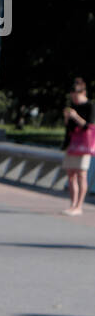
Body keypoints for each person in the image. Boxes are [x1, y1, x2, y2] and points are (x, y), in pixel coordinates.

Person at [61, 79, 93, 216]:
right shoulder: (73, 106)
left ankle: (79, 206)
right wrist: (67, 118)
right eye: (73, 96)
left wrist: (76, 116)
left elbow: (89, 126)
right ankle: (72, 205)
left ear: (83, 93)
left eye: (76, 96)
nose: (74, 99)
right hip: (72, 144)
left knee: (81, 175)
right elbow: (68, 128)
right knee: (71, 175)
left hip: (84, 145)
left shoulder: (90, 106)